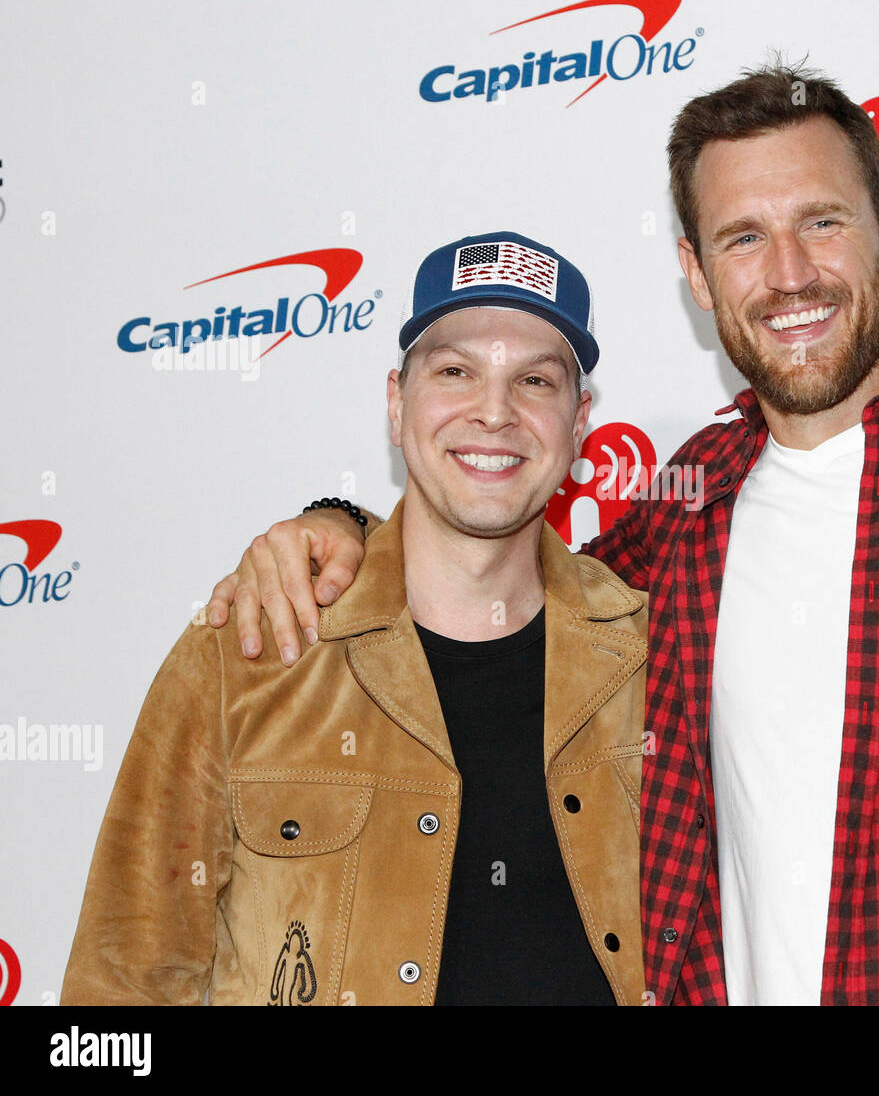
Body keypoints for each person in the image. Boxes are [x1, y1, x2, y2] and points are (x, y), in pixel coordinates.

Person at [208, 65, 879, 1007]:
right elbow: (484, 575)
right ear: (694, 274)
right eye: (743, 236)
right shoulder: (671, 525)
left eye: (821, 221)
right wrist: (340, 524)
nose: (788, 274)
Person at [63, 232, 649, 1005]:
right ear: (395, 404)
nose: (495, 412)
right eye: (455, 372)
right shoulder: (250, 647)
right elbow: (121, 984)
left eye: (536, 380)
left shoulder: (648, 654)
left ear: (578, 426)